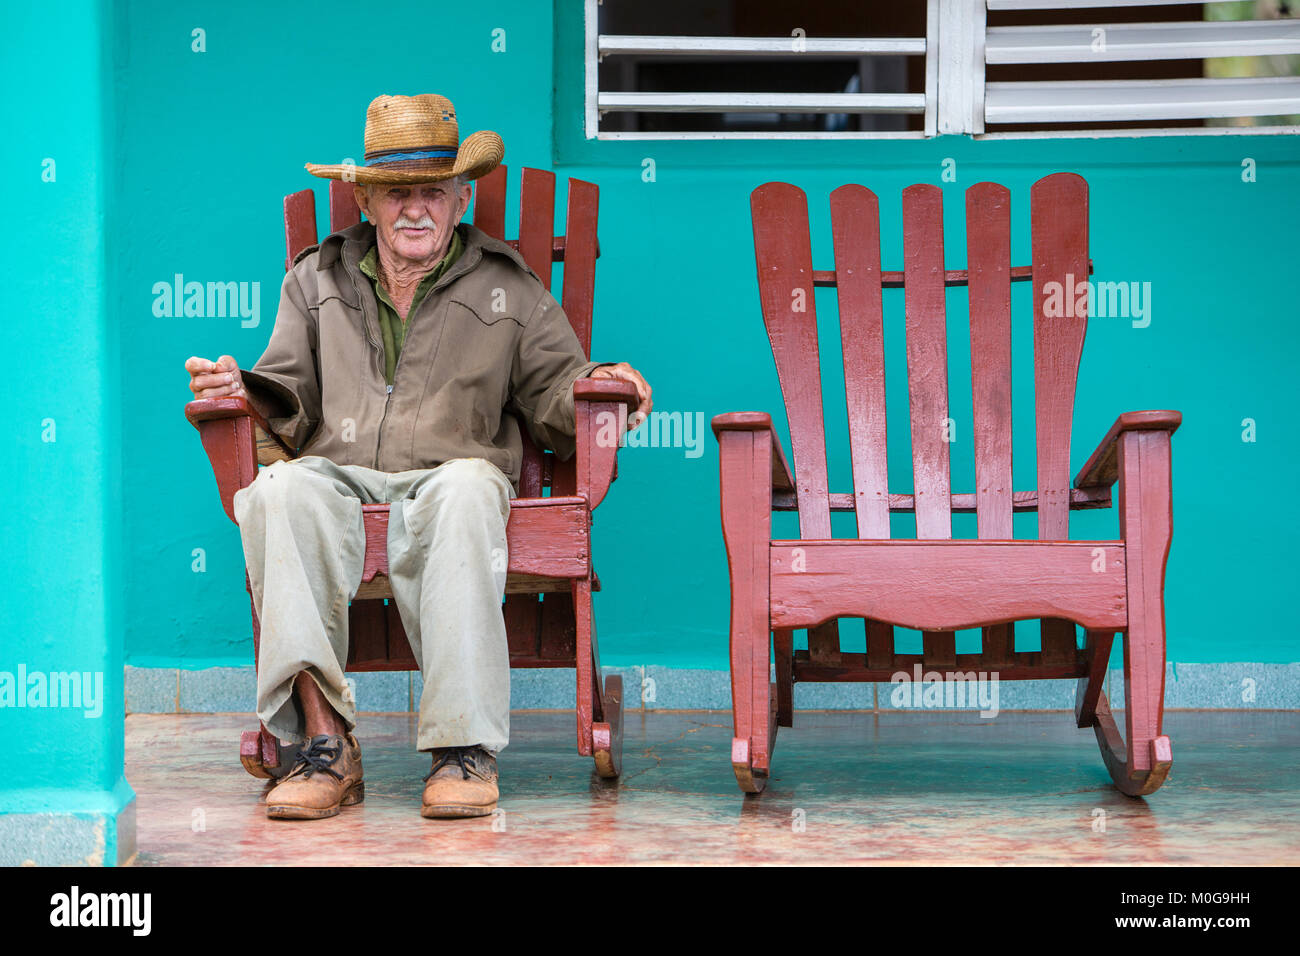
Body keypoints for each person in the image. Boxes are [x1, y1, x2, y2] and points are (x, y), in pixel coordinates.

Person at [184, 93, 651, 821]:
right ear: (365, 202)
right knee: (276, 493)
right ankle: (322, 744)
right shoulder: (316, 280)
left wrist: (604, 384)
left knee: (469, 488)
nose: (414, 211)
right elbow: (286, 395)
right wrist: (239, 390)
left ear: (461, 198)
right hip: (338, 476)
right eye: (396, 193)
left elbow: (561, 397)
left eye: (432, 192)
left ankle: (463, 750)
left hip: (451, 477)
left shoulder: (509, 289)